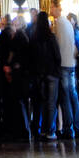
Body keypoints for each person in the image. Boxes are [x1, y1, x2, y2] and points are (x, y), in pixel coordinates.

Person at [51, 0, 79, 138]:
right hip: (71, 64)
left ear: (58, 8)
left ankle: (68, 128)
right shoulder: (69, 24)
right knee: (73, 96)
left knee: (65, 98)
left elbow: (57, 46)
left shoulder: (59, 23)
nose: (51, 10)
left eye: (52, 7)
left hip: (63, 65)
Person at [30, 11, 62, 139]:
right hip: (52, 73)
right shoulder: (51, 37)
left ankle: (43, 129)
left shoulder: (34, 38)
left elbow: (31, 58)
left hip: (40, 74)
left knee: (43, 102)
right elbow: (57, 55)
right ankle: (50, 130)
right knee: (51, 103)